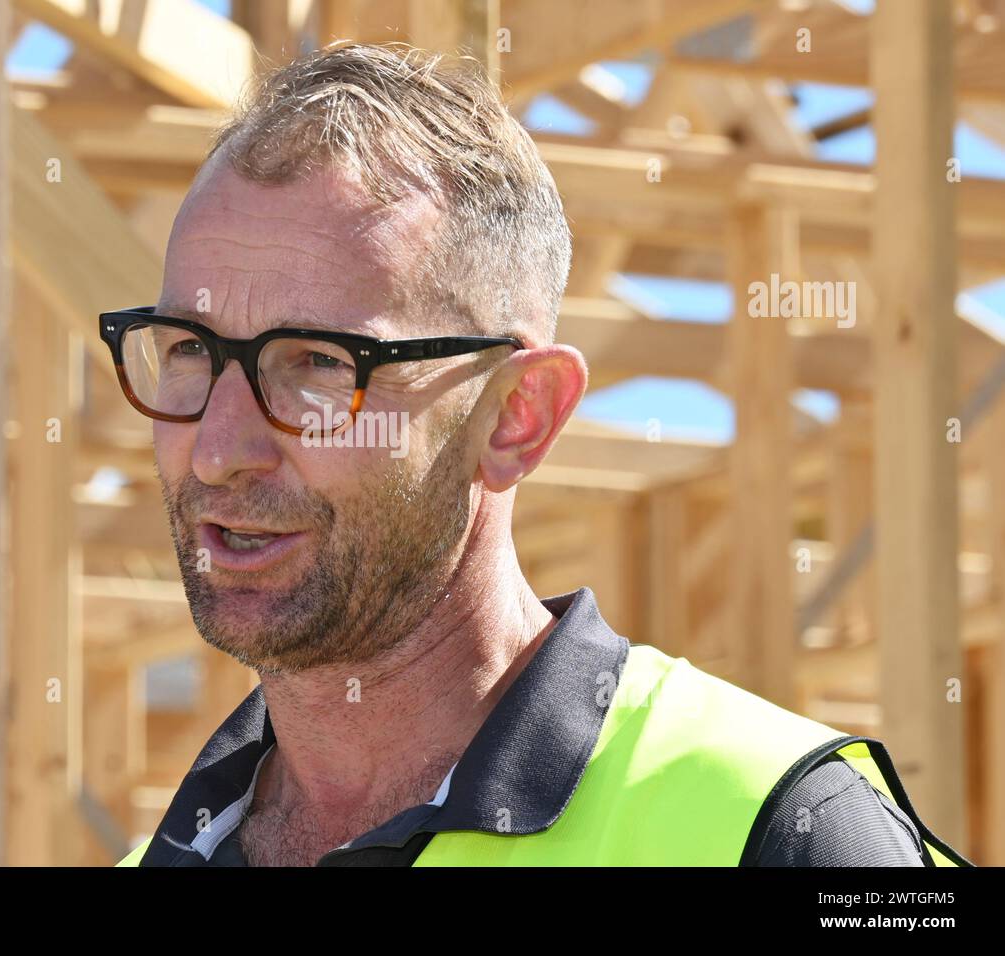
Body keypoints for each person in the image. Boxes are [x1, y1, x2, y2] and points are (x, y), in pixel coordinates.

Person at [102, 41, 970, 867]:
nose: (217, 451)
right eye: (189, 348)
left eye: (321, 364)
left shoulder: (784, 833)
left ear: (517, 416)